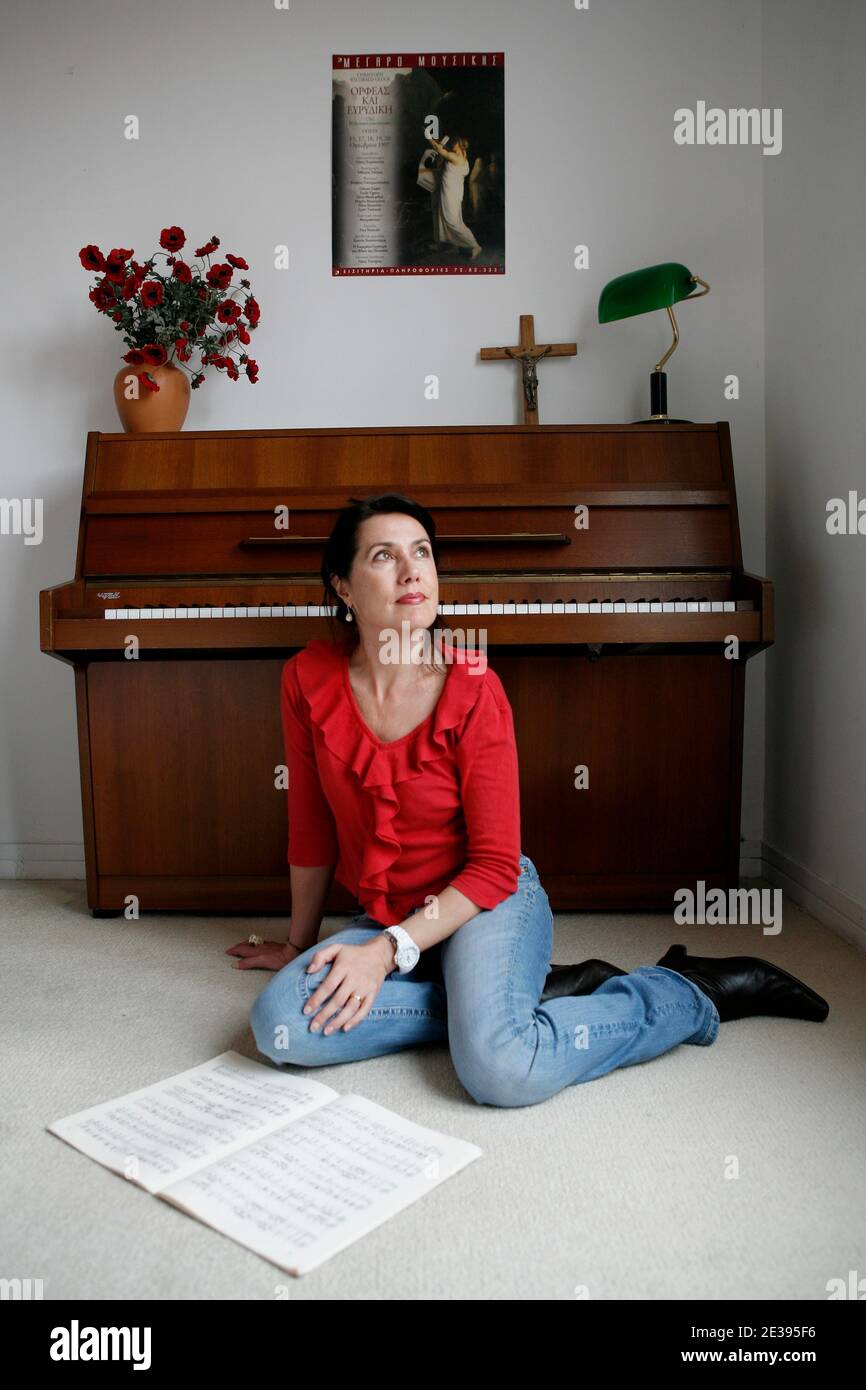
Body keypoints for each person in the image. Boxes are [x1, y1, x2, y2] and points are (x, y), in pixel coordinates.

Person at [229, 494, 829, 1109]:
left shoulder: (474, 687)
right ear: (344, 587)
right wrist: (301, 946)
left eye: (423, 553)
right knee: (281, 1023)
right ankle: (519, 1000)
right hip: (393, 912)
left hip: (487, 898)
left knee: (500, 1070)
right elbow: (311, 825)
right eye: (385, 556)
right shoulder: (307, 679)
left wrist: (383, 954)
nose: (412, 571)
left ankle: (682, 990)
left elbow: (493, 865)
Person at [422, 134, 483, 258]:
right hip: (450, 192)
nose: (451, 145)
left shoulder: (456, 157)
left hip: (451, 194)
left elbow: (439, 149)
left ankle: (475, 245)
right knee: (443, 218)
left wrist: (429, 137)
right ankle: (447, 245)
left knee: (453, 221)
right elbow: (442, 151)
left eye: (454, 143)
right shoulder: (461, 156)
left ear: (459, 145)